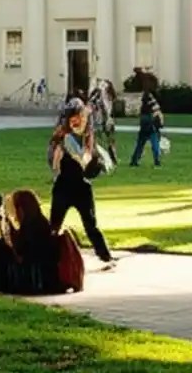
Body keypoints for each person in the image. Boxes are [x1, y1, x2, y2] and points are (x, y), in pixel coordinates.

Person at [49, 101, 114, 267]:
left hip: (82, 186)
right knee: (54, 226)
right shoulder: (64, 136)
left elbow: (92, 161)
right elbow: (55, 160)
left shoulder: (86, 136)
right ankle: (46, 258)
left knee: (91, 225)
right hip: (64, 186)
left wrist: (97, 161)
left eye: (81, 117)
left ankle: (105, 256)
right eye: (75, 117)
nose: (79, 120)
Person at [4, 189, 60, 294]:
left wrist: (11, 231)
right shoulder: (41, 221)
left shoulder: (30, 225)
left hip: (34, 261)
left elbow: (22, 249)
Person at [130, 91, 163, 167]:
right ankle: (156, 161)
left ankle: (134, 160)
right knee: (154, 146)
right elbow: (157, 114)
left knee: (141, 146)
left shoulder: (145, 107)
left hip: (147, 129)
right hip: (150, 129)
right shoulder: (150, 106)